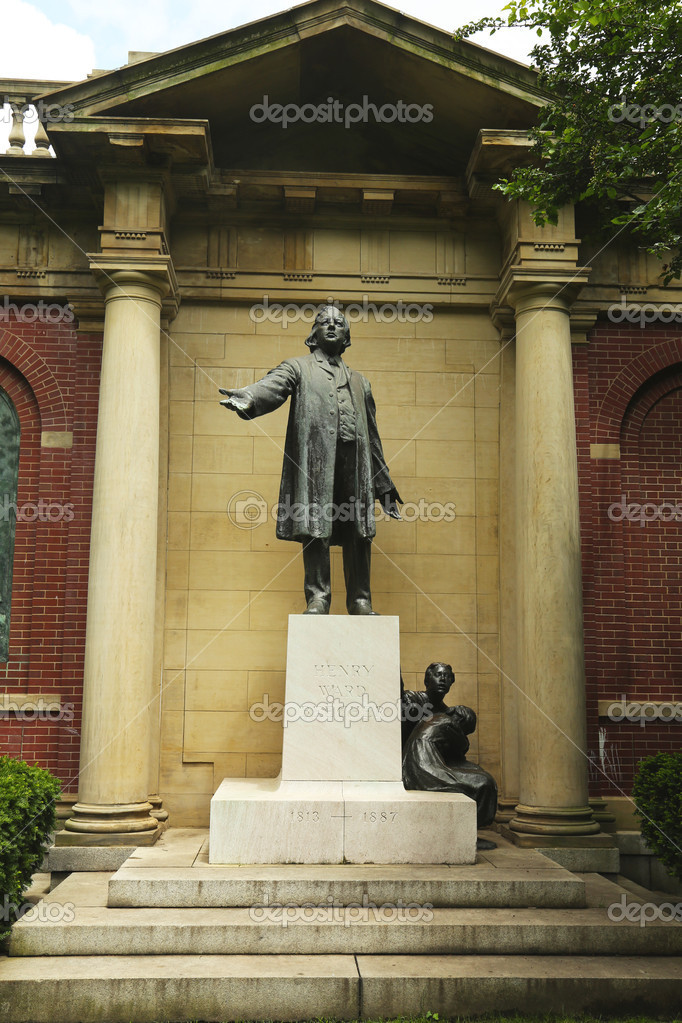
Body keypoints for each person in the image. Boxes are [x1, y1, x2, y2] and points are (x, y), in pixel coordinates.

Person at [219, 305, 402, 614]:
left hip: (355, 467)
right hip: (317, 466)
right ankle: (318, 597)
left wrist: (383, 487)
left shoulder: (360, 382)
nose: (331, 326)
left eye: (338, 323)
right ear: (314, 334)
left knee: (360, 532)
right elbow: (272, 386)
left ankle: (360, 599)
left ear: (347, 336)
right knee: (316, 527)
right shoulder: (298, 368)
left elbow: (372, 437)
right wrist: (248, 397)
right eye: (324, 322)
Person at [401, 662, 498, 847]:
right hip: (415, 762)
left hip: (436, 760)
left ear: (452, 682)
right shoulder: (413, 700)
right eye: (438, 675)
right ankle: (466, 834)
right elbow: (397, 696)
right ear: (426, 680)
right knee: (482, 782)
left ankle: (469, 831)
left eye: (447, 676)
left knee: (482, 777)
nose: (443, 679)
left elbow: (456, 750)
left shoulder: (450, 713)